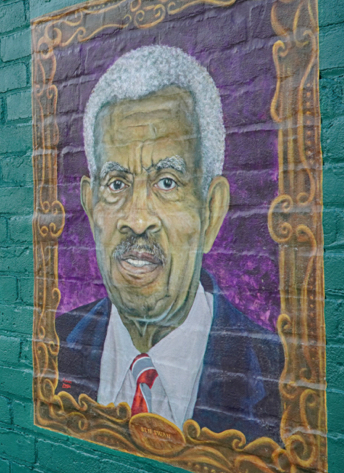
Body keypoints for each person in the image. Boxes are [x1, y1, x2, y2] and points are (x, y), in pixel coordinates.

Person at [55, 45, 284, 441]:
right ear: (91, 209)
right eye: (116, 184)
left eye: (167, 182)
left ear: (211, 212)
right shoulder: (55, 347)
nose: (137, 219)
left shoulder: (280, 374)